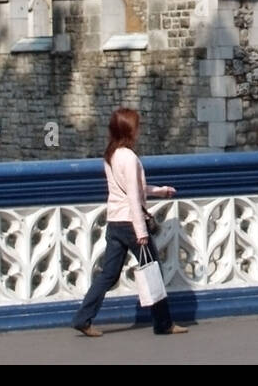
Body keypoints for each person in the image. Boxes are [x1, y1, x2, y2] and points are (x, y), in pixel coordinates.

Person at [72, 108, 188, 336]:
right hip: (130, 224)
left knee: (109, 274)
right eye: (137, 126)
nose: (139, 130)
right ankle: (163, 324)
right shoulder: (130, 157)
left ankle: (83, 317)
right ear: (129, 130)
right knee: (153, 270)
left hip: (115, 221)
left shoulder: (110, 155)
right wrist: (141, 231)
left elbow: (129, 189)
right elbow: (134, 198)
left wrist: (159, 191)